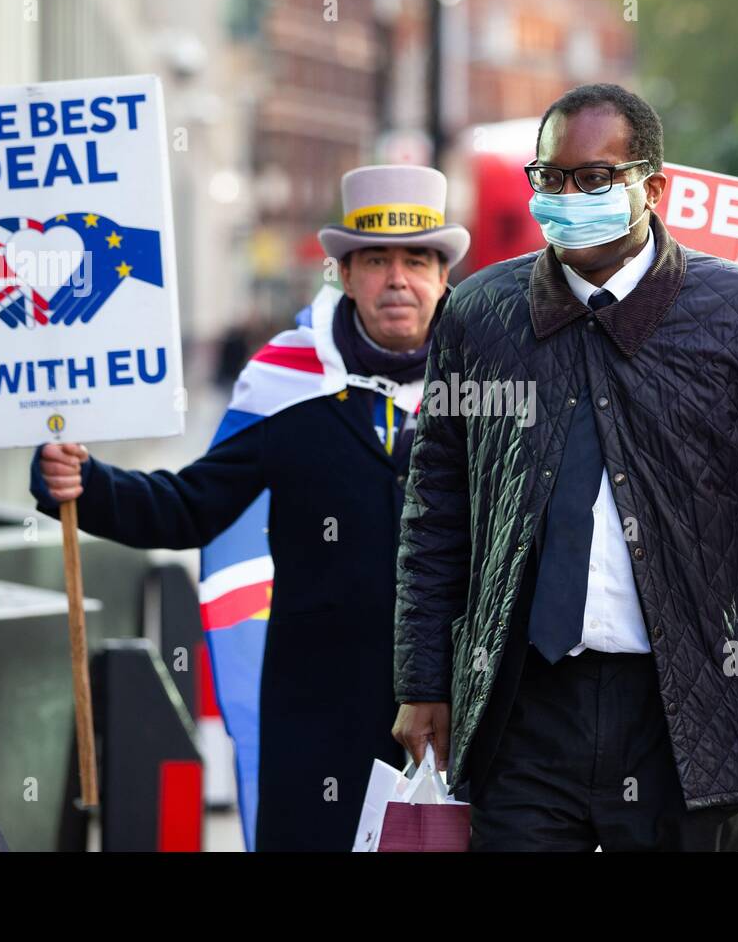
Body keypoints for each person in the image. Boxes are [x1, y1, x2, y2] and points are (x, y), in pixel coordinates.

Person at [391, 83, 738, 851]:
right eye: (550, 178)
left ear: (654, 187)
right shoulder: (479, 315)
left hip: (688, 709)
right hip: (522, 711)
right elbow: (437, 509)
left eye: (594, 178)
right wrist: (423, 680)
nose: (569, 195)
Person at [30, 164, 470, 851]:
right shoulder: (282, 379)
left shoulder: (488, 381)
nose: (397, 278)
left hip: (455, 711)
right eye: (375, 259)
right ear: (344, 274)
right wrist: (84, 484)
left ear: (443, 275)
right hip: (316, 711)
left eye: (417, 259)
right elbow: (189, 506)